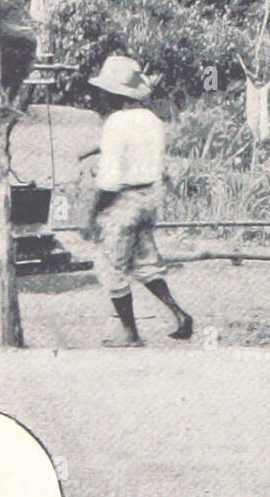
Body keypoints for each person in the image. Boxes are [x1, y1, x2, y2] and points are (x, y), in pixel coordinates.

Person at [83, 55, 194, 347]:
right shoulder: (152, 120)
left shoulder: (115, 122)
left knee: (111, 266)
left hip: (123, 201)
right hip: (149, 197)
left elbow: (109, 179)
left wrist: (93, 214)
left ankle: (130, 333)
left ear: (113, 93)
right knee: (145, 261)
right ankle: (179, 314)